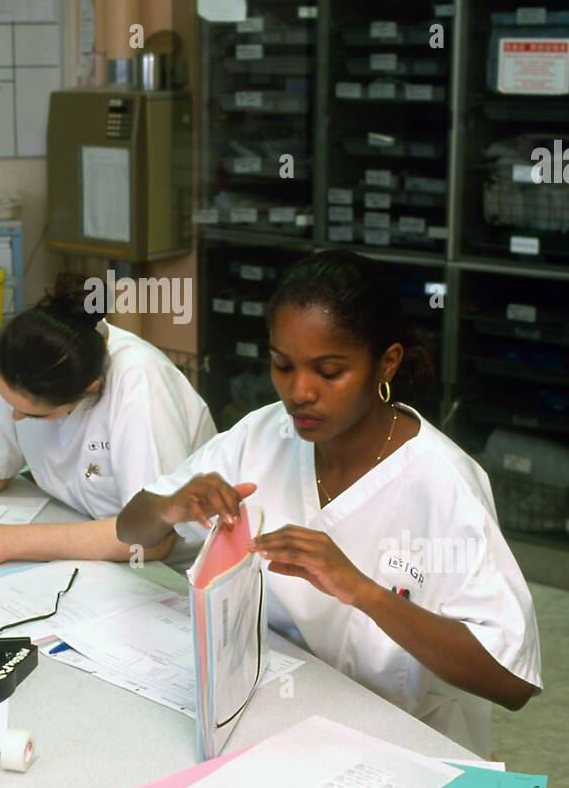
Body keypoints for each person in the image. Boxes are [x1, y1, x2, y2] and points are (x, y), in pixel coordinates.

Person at [117, 249, 543, 759]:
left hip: (404, 748)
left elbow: (513, 683)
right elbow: (130, 531)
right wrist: (170, 505)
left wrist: (364, 591)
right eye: (282, 364)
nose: (299, 392)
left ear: (386, 362)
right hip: (277, 718)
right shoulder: (262, 435)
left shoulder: (443, 483)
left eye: (330, 371)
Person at [0, 279, 216, 574]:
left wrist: (7, 541)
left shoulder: (138, 383)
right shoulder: (25, 364)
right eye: (10, 406)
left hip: (171, 572)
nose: (15, 419)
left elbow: (153, 539)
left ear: (88, 391)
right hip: (84, 540)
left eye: (34, 416)